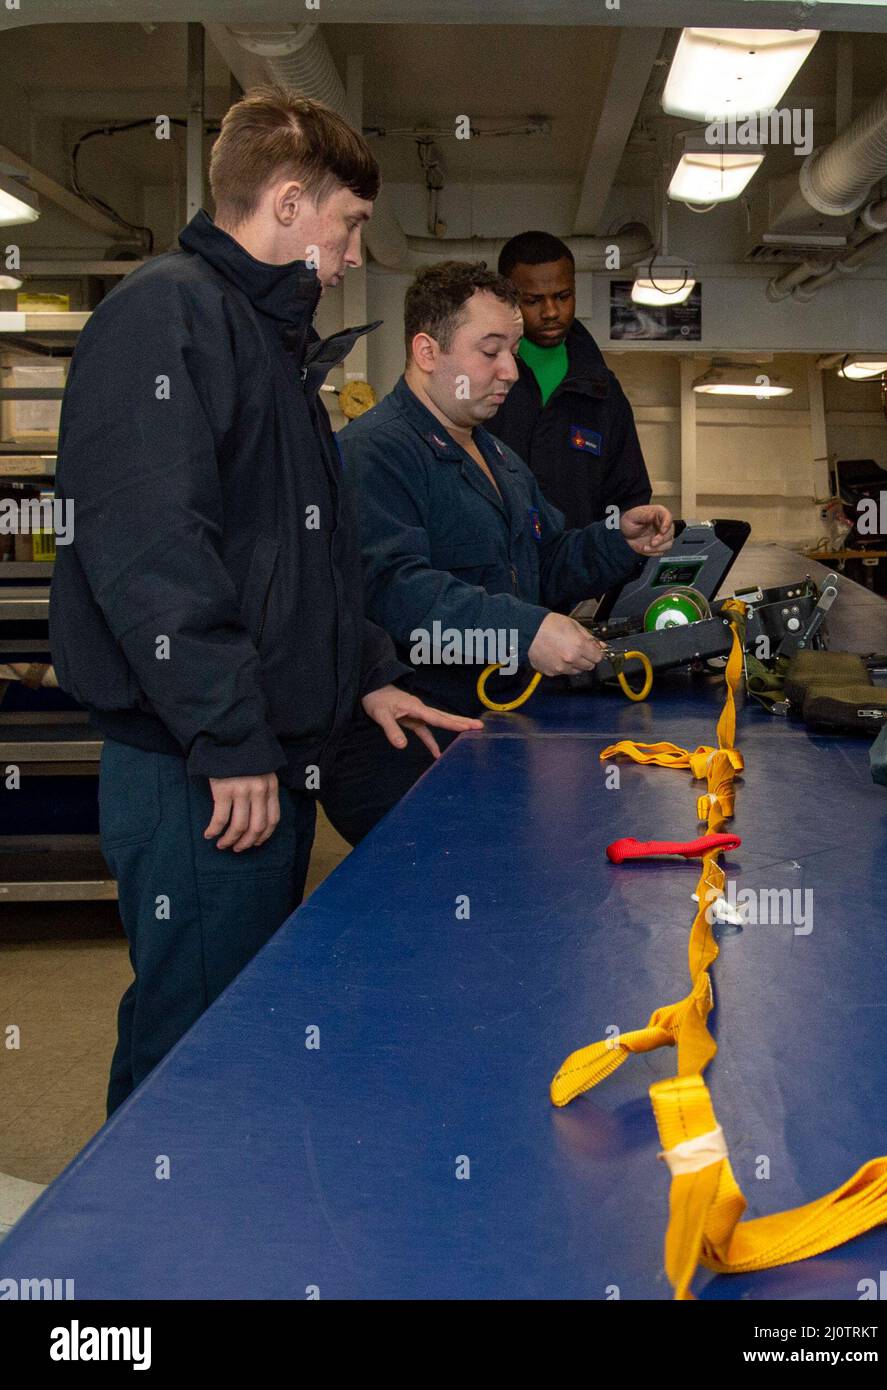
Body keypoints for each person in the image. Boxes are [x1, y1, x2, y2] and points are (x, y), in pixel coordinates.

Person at [49, 87, 479, 1114]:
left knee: (238, 1031)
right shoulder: (165, 315)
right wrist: (231, 736)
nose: (355, 254)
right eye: (351, 225)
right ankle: (147, 1260)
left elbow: (298, 560)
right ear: (289, 204)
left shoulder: (264, 340)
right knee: (192, 1046)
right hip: (195, 765)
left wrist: (365, 673)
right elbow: (151, 553)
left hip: (254, 752)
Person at [320, 262, 673, 846]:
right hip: (410, 747)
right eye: (491, 352)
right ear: (428, 351)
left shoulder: (501, 459)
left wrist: (617, 541)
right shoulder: (372, 453)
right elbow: (391, 590)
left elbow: (548, 561)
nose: (510, 371)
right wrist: (524, 631)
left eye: (513, 350)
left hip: (494, 731)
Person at [488, 230, 652, 529]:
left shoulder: (603, 390)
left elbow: (629, 497)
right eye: (534, 300)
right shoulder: (480, 379)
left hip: (578, 571)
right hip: (494, 570)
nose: (551, 311)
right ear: (507, 299)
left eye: (563, 296)